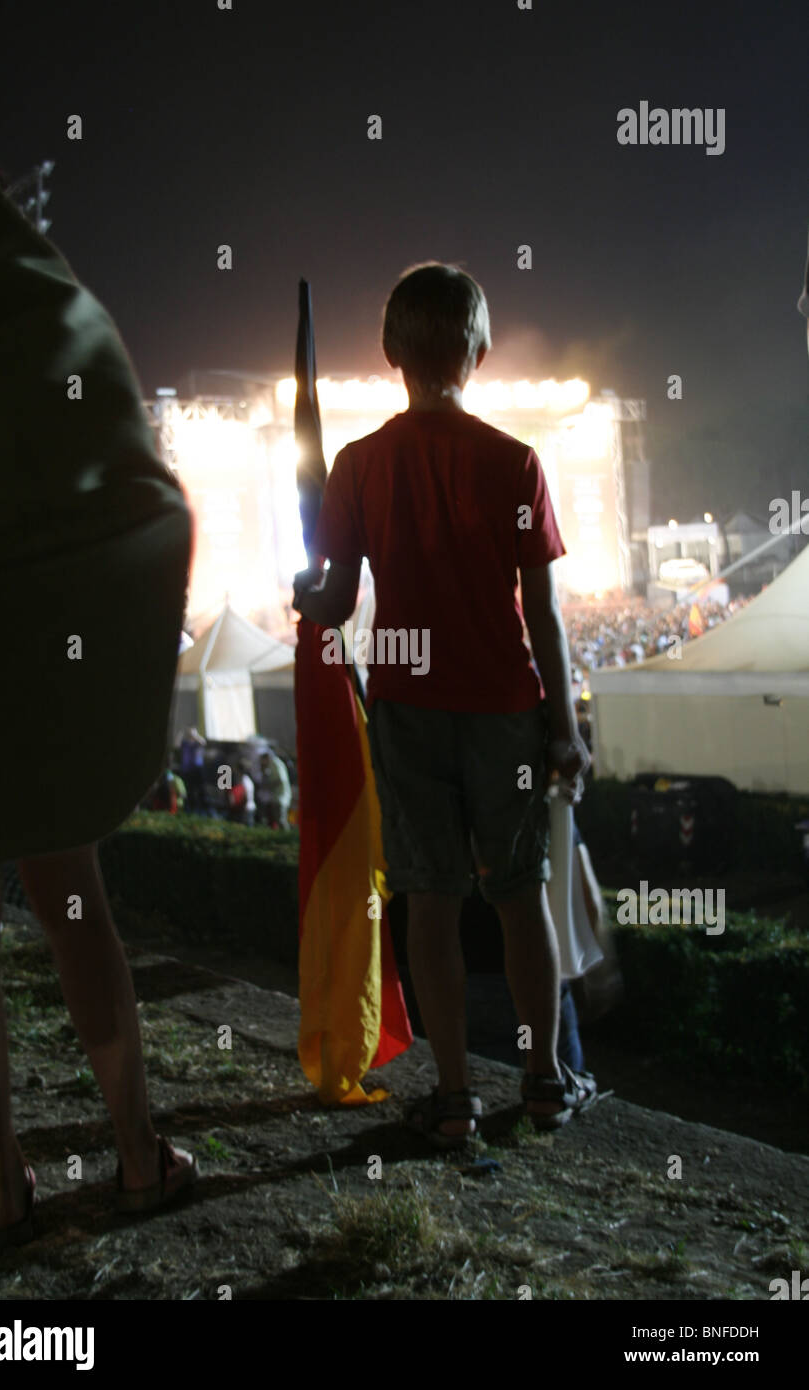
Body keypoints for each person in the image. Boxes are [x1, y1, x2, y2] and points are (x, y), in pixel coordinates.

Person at [0, 108, 197, 1244]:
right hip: (39, 645)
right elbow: (109, 449)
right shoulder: (17, 289)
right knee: (75, 902)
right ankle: (138, 1154)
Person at [293, 261, 593, 1146]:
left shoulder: (357, 466)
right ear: (482, 351)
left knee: (428, 902)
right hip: (505, 706)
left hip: (407, 707)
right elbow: (540, 611)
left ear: (390, 351)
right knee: (517, 897)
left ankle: (454, 1094)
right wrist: (566, 727)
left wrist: (306, 593)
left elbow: (338, 604)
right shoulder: (515, 463)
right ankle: (542, 1079)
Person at [256, 750, 292, 830]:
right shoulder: (271, 765)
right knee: (276, 821)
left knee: (281, 821)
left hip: (281, 797)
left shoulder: (275, 763)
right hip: (276, 797)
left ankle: (286, 837)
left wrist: (269, 786)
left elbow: (280, 780)